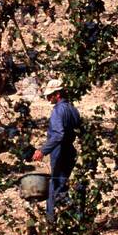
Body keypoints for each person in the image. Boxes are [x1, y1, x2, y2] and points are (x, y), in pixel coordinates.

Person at [33, 78, 81, 220]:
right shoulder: (72, 109)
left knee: (55, 187)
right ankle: (73, 217)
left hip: (60, 152)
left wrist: (43, 150)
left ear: (57, 94)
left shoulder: (58, 111)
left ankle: (52, 220)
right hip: (70, 151)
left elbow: (58, 135)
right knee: (61, 184)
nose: (48, 99)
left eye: (50, 95)